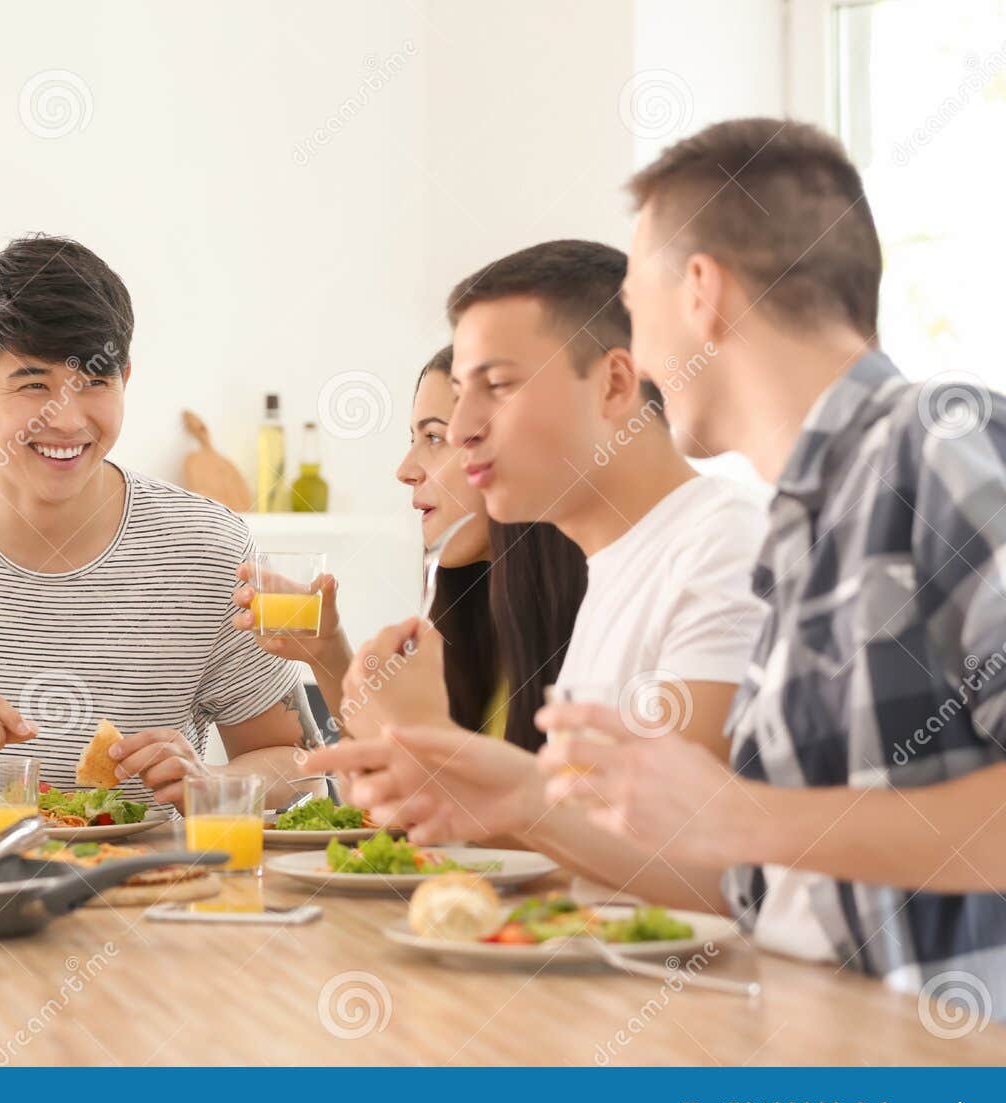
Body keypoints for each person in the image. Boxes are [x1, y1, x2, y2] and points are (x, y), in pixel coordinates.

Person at [531, 117, 1006, 996]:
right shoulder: (799, 531)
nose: (637, 354)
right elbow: (777, 887)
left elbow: (766, 829)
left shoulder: (935, 440)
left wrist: (744, 815)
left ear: (703, 289)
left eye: (636, 302)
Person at [304, 239, 769, 911]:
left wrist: (483, 777)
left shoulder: (724, 545)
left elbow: (713, 877)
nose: (463, 429)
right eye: (461, 395)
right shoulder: (611, 571)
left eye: (496, 387)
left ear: (614, 384)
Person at [0, 236, 317, 810]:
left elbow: (300, 768)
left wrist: (211, 784)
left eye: (96, 382)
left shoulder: (209, 548)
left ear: (126, 376)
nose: (67, 420)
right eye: (33, 385)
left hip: (153, 890)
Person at [231, 346, 586, 752]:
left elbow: (443, 795)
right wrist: (326, 651)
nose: (405, 469)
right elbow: (394, 776)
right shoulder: (486, 626)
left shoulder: (601, 639)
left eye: (434, 437)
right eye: (413, 438)